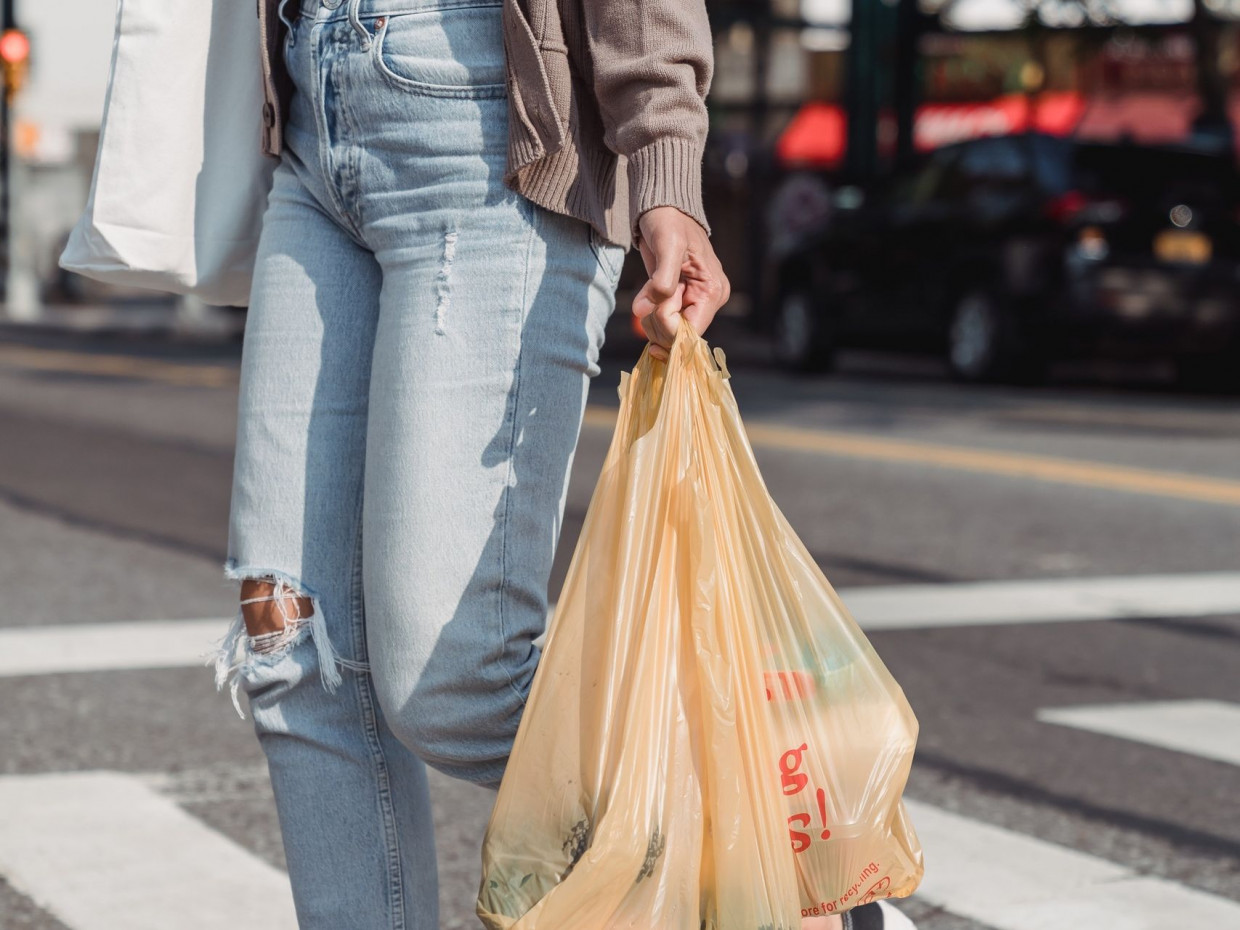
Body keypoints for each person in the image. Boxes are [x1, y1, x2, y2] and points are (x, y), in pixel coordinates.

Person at [215, 1, 912, 928]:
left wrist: (664, 168)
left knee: (453, 682)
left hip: (487, 133)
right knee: (292, 647)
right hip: (310, 127)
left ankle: (785, 881)